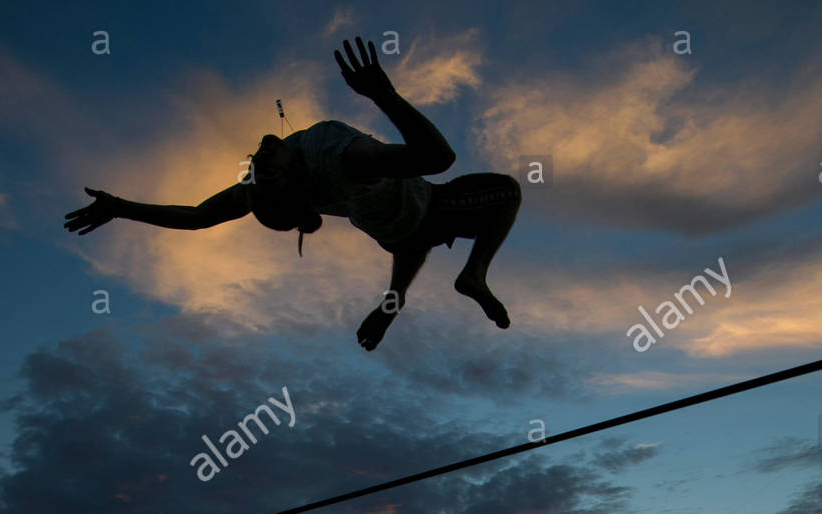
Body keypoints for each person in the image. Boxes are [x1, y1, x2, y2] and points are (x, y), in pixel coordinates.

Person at [65, 37, 521, 353]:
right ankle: (474, 275)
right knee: (507, 192)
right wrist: (383, 93)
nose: (258, 164)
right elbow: (439, 157)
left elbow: (199, 216)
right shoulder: (335, 154)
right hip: (431, 209)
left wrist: (120, 207)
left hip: (394, 232)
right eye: (267, 174)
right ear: (299, 188)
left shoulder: (265, 187)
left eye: (256, 171)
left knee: (404, 265)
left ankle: (390, 309)